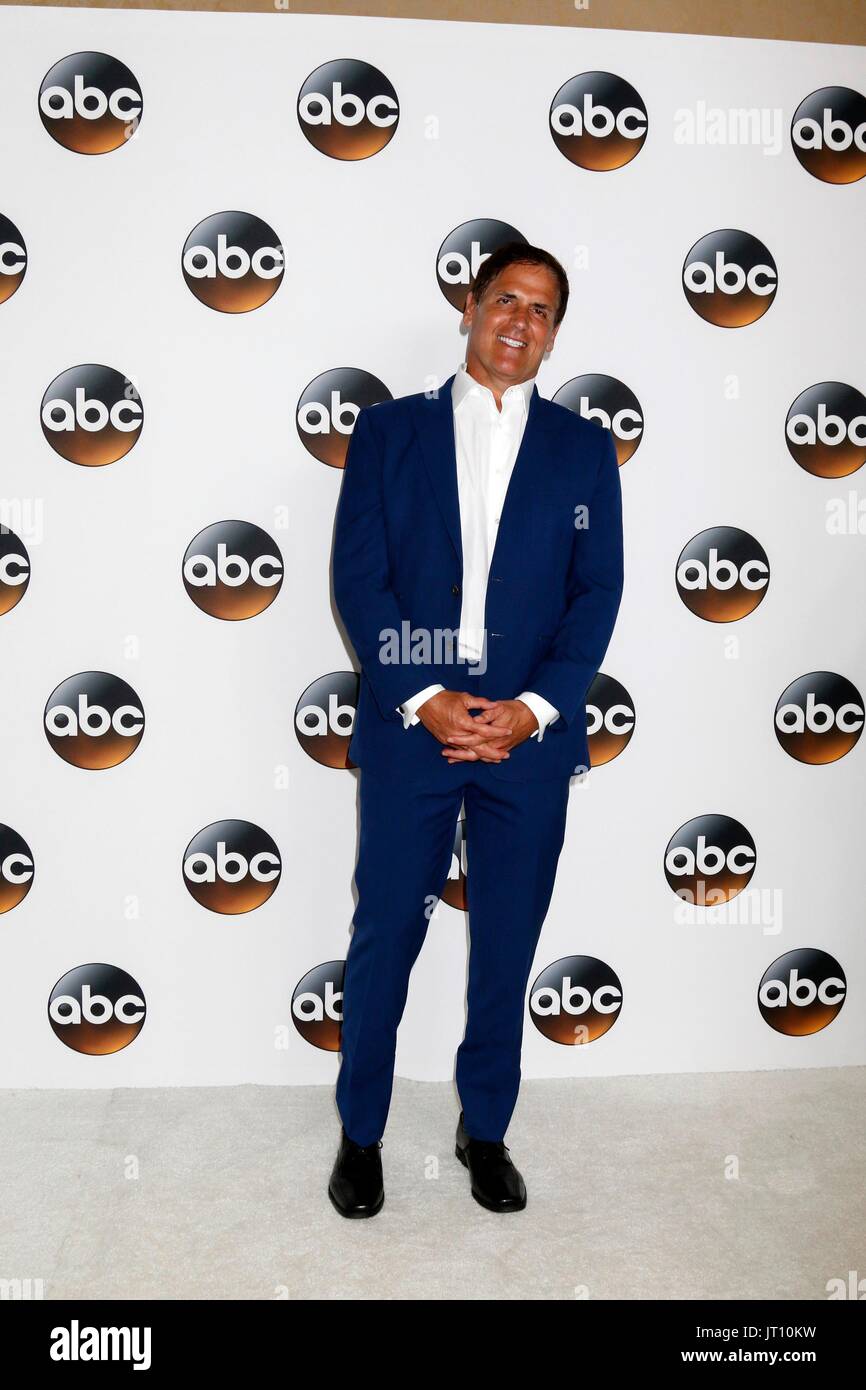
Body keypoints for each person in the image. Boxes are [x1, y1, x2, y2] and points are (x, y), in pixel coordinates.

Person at [329, 241, 624, 1216]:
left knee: (506, 943)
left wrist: (533, 709)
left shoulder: (583, 448)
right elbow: (360, 581)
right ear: (467, 305)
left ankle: (483, 1128)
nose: (519, 322)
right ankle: (361, 1132)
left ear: (551, 333)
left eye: (542, 311)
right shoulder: (387, 433)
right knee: (383, 938)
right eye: (506, 299)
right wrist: (424, 695)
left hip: (526, 741)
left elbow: (596, 592)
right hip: (414, 728)